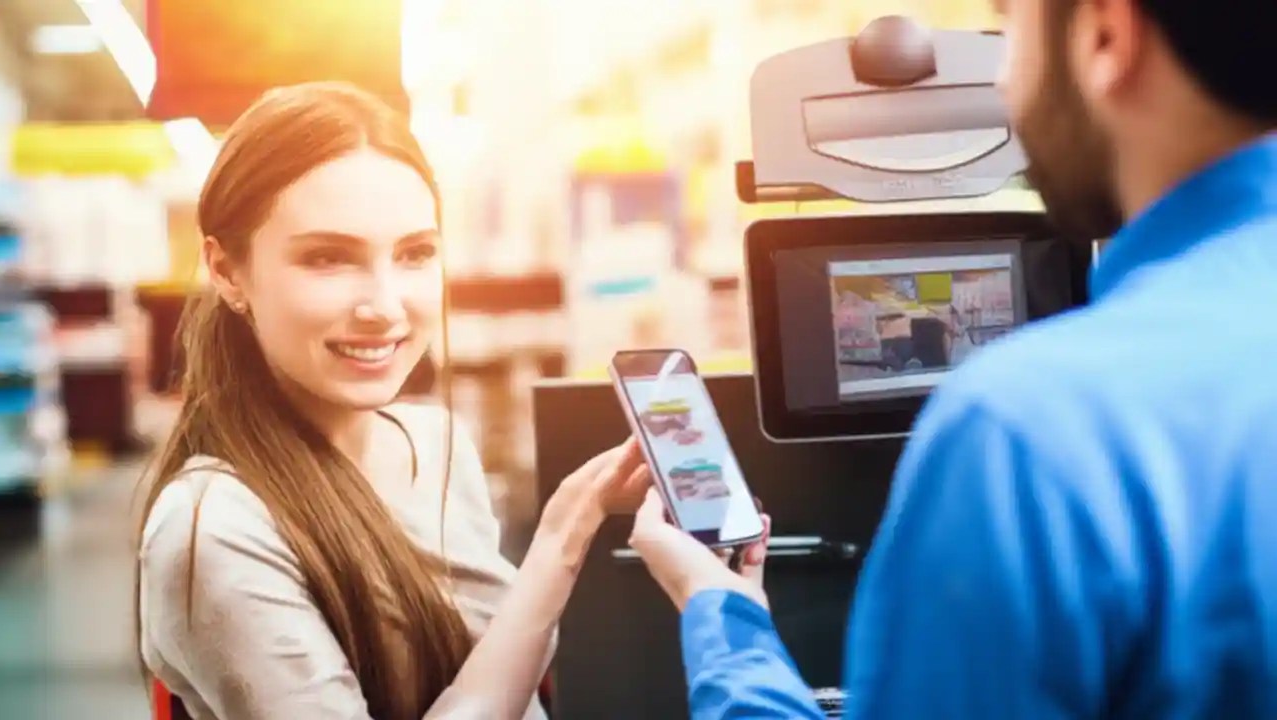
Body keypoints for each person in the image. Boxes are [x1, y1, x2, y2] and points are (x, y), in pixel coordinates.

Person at [630, 0, 1277, 717]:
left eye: (1011, 27)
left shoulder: (1030, 429)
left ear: (1104, 33)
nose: (1001, 83)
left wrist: (722, 618)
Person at [134, 82, 648, 720]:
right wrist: (562, 542)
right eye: (328, 258)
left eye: (414, 253)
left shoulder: (435, 444)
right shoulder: (214, 527)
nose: (384, 306)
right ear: (228, 272)